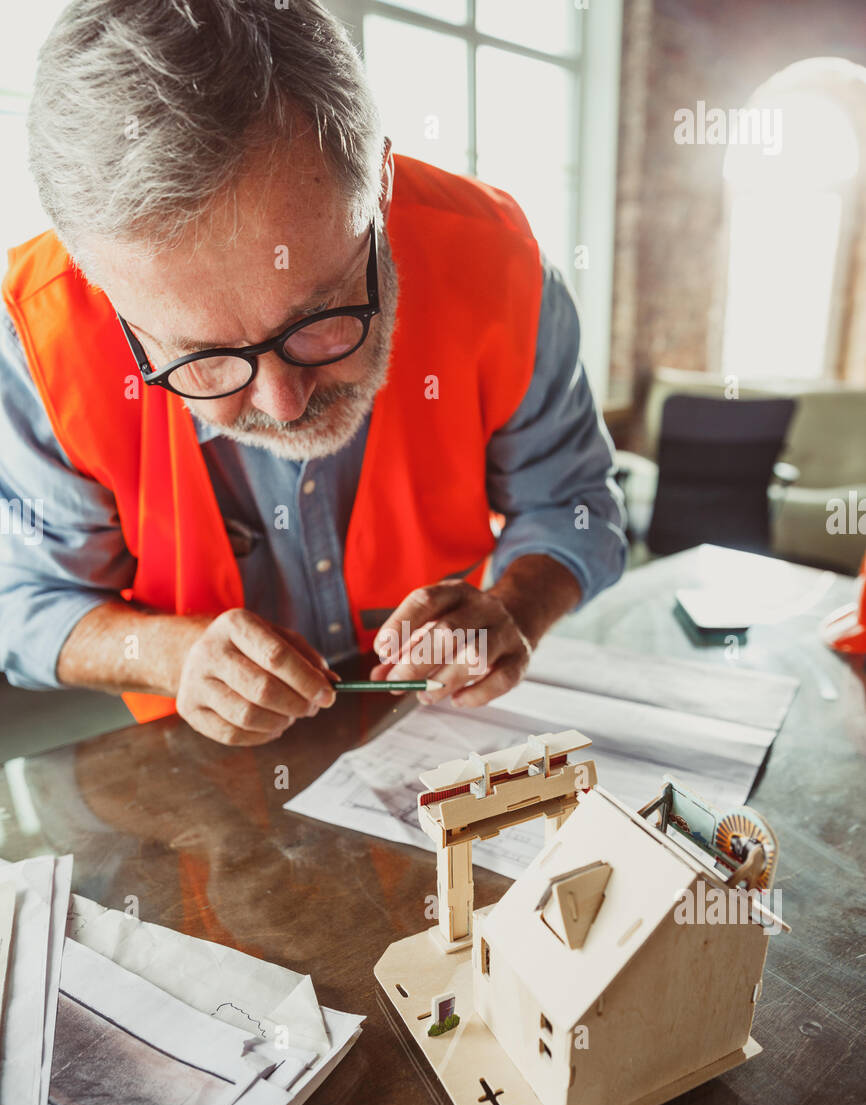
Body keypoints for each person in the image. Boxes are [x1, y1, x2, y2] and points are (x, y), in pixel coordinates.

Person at [0, 0, 626, 746]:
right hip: (201, 785)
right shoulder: (42, 333)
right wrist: (174, 656)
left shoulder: (498, 262)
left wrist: (518, 607)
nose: (284, 402)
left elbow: (576, 503)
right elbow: (26, 599)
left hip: (443, 733)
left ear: (380, 185)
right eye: (204, 359)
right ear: (102, 287)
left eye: (318, 317)